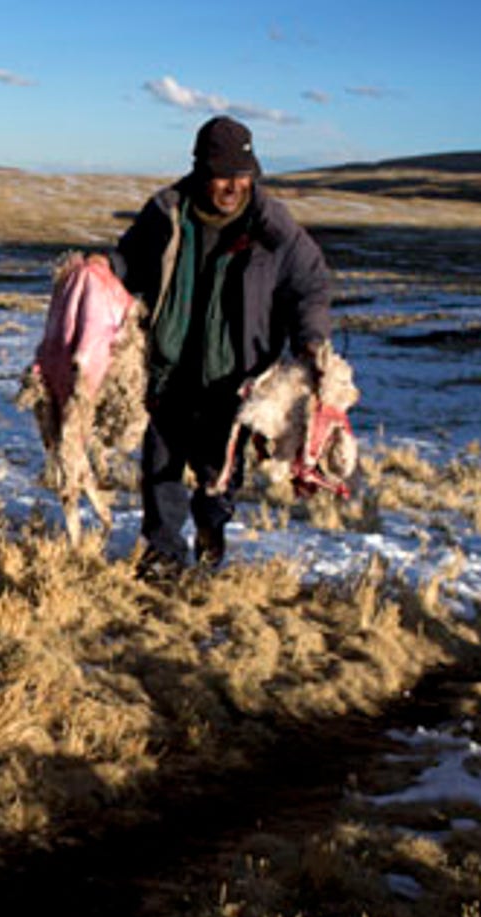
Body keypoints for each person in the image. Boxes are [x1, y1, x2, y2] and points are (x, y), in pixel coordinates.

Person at [95, 115, 332, 574]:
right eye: (223, 174)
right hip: (170, 367)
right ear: (201, 169)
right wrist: (101, 270)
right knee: (161, 463)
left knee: (218, 471)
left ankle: (211, 532)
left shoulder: (273, 230)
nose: (234, 185)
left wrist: (311, 341)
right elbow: (130, 264)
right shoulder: (165, 214)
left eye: (243, 174)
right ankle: (163, 551)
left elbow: (310, 286)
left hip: (236, 378)